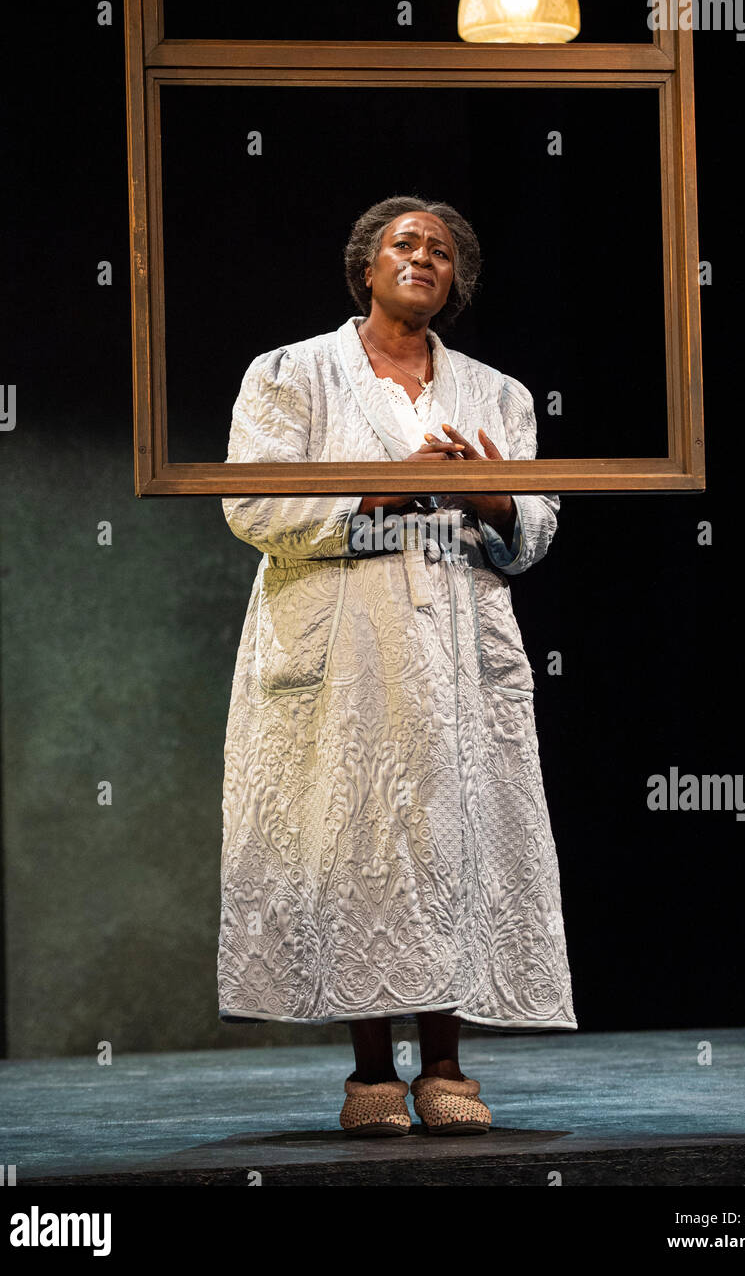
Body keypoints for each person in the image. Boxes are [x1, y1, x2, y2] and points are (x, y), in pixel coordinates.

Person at [218, 195, 577, 1137]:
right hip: (348, 642)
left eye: (444, 253)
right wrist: (388, 485)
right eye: (404, 244)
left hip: (458, 640)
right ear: (365, 267)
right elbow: (250, 510)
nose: (424, 258)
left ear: (456, 282)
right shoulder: (289, 374)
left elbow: (535, 529)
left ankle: (448, 1065)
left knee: (455, 836)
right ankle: (370, 1070)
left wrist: (492, 500)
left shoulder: (498, 395)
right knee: (356, 838)